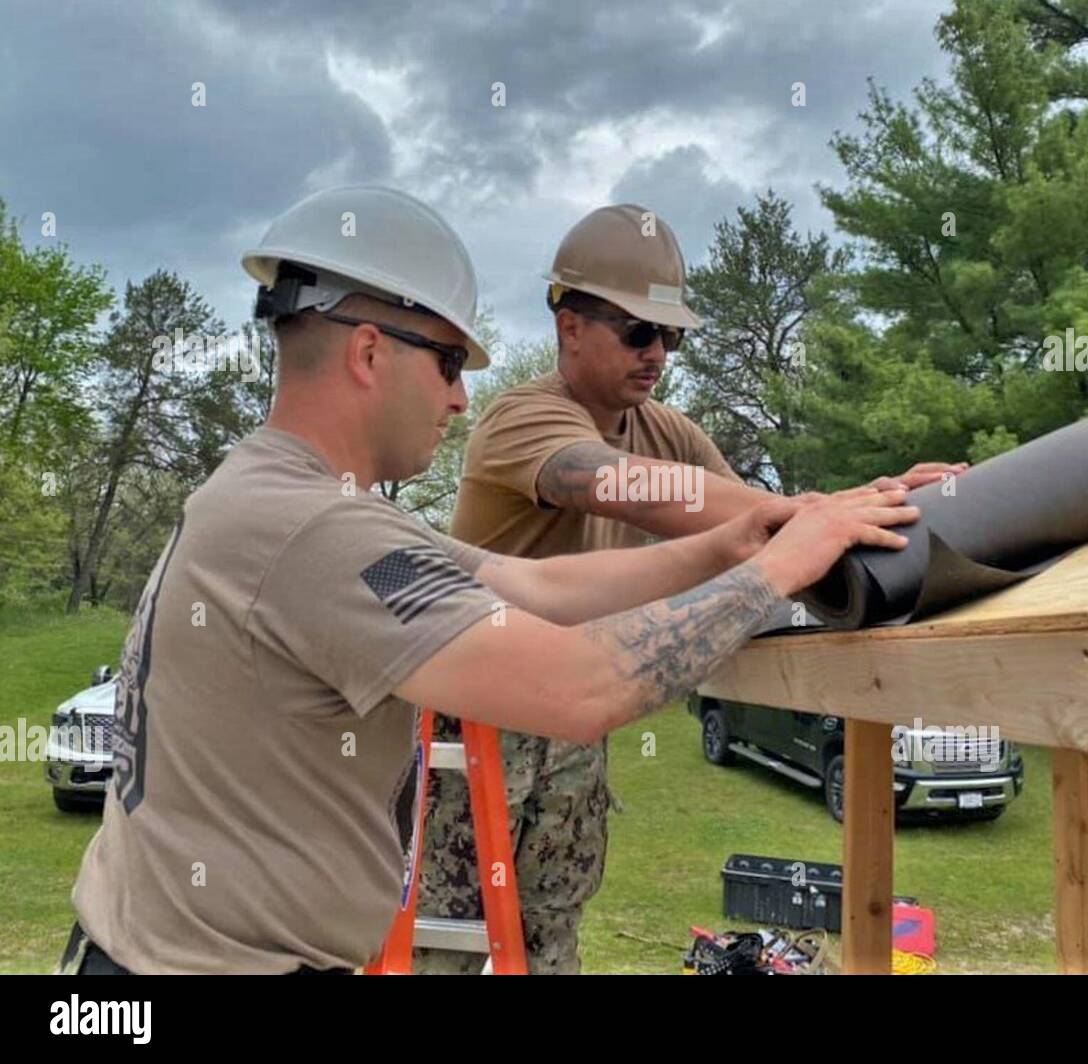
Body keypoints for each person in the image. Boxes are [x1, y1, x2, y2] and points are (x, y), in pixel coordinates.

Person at [59, 186, 919, 975]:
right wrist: (780, 564)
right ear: (368, 352)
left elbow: (530, 586)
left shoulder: (294, 502)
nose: (463, 398)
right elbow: (581, 683)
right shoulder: (318, 528)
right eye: (447, 362)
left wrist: (733, 540)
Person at [418, 204, 963, 974]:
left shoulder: (662, 427)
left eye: (670, 336)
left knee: (549, 929)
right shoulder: (521, 419)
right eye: (639, 332)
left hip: (573, 711)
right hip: (476, 722)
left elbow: (758, 521)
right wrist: (820, 513)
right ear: (570, 326)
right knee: (448, 931)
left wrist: (872, 507)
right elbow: (630, 489)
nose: (658, 353)